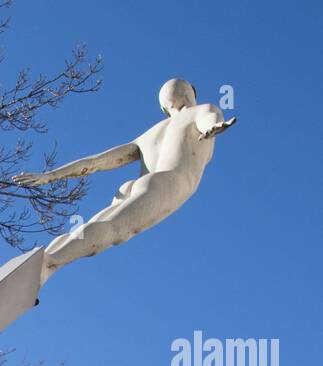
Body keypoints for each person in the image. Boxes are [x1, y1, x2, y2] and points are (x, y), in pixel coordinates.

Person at [15, 79, 236, 282]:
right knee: (114, 229)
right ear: (192, 95)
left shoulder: (149, 135)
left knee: (93, 226)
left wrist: (50, 175)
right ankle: (49, 261)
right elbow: (209, 118)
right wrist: (213, 127)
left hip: (136, 185)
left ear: (164, 108)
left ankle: (46, 262)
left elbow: (97, 161)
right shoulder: (203, 109)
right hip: (169, 182)